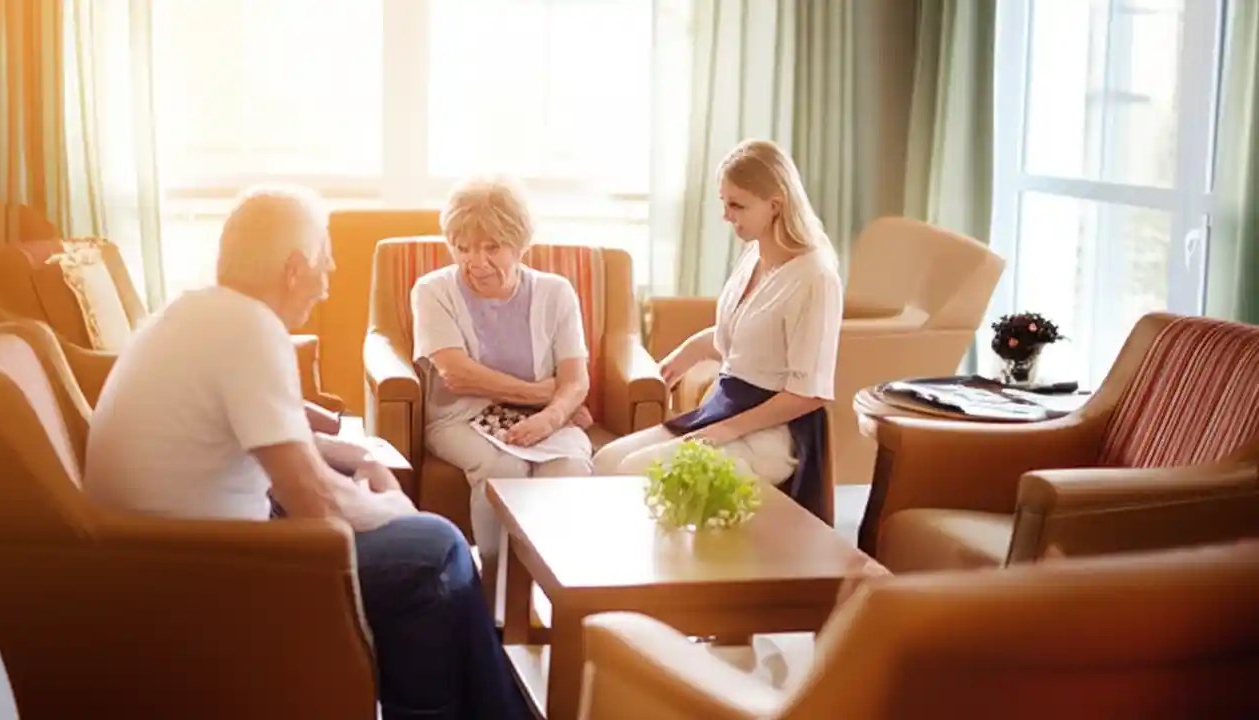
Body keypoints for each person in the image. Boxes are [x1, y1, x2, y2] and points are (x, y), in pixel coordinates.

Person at [83, 185, 528, 720]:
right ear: (294, 269)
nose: (330, 276)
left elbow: (256, 435)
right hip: (210, 567)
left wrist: (353, 456)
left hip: (168, 551)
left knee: (434, 550)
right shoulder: (250, 329)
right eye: (325, 258)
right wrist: (390, 503)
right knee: (435, 549)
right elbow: (314, 501)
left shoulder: (195, 312)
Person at [593, 139, 843, 522]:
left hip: (774, 431)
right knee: (606, 461)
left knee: (632, 473)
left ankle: (657, 573)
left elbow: (808, 394)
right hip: (724, 407)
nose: (727, 215)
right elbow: (744, 336)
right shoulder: (754, 255)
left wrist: (722, 432)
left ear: (775, 205)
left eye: (737, 205)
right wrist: (686, 353)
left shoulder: (815, 277)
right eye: (724, 202)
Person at [411, 175, 593, 596]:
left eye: (491, 247)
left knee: (568, 468)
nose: (476, 261)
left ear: (519, 243)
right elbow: (457, 375)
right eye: (462, 247)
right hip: (459, 417)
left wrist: (550, 417)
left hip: (545, 419)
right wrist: (547, 393)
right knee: (503, 469)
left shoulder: (555, 293)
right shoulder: (433, 291)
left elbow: (575, 377)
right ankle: (494, 594)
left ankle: (557, 592)